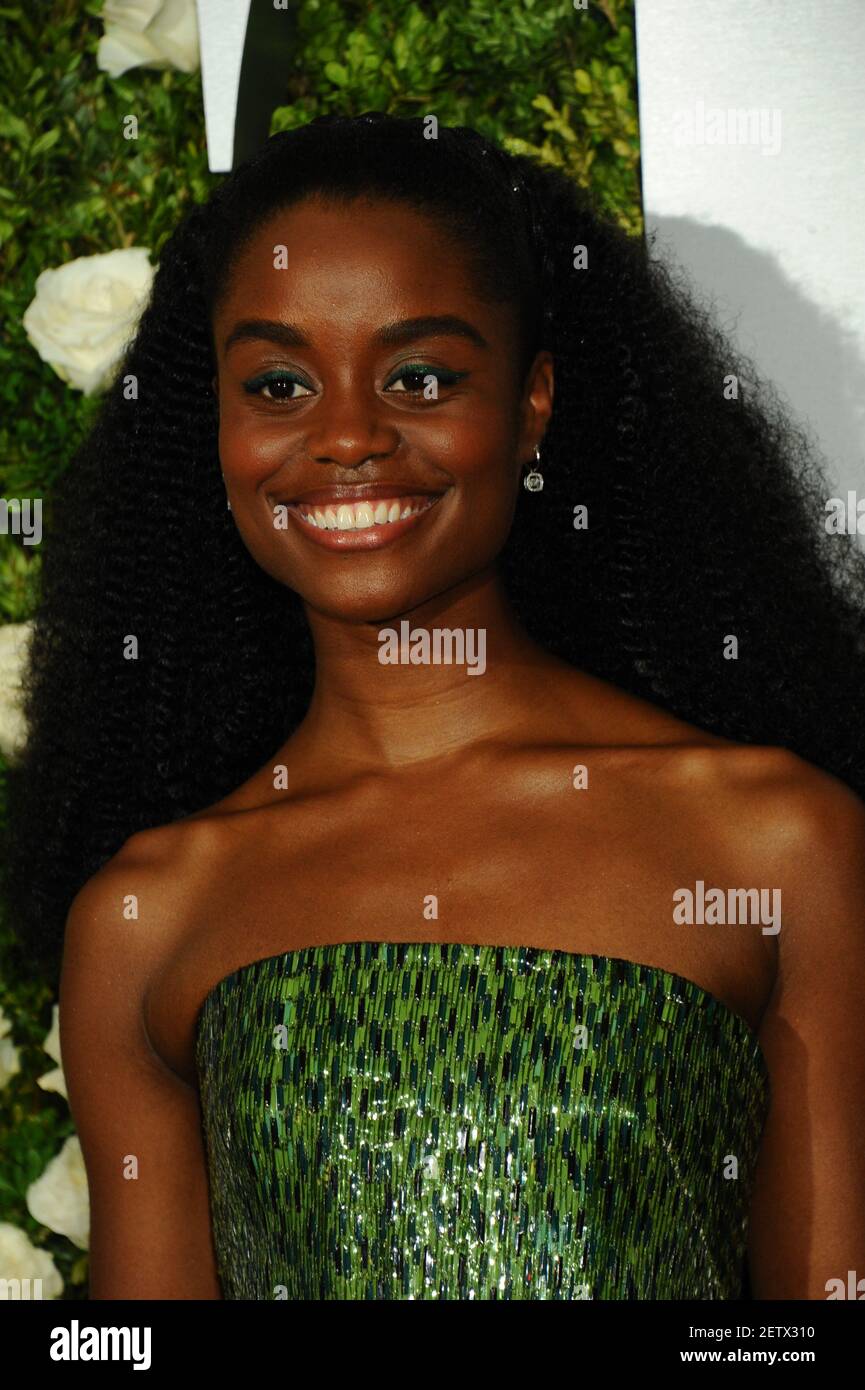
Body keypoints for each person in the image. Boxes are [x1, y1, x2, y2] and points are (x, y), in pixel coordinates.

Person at [6, 113, 865, 1300]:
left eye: (421, 375)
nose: (349, 433)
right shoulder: (147, 915)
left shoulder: (777, 839)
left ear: (531, 406)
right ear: (213, 427)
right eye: (278, 382)